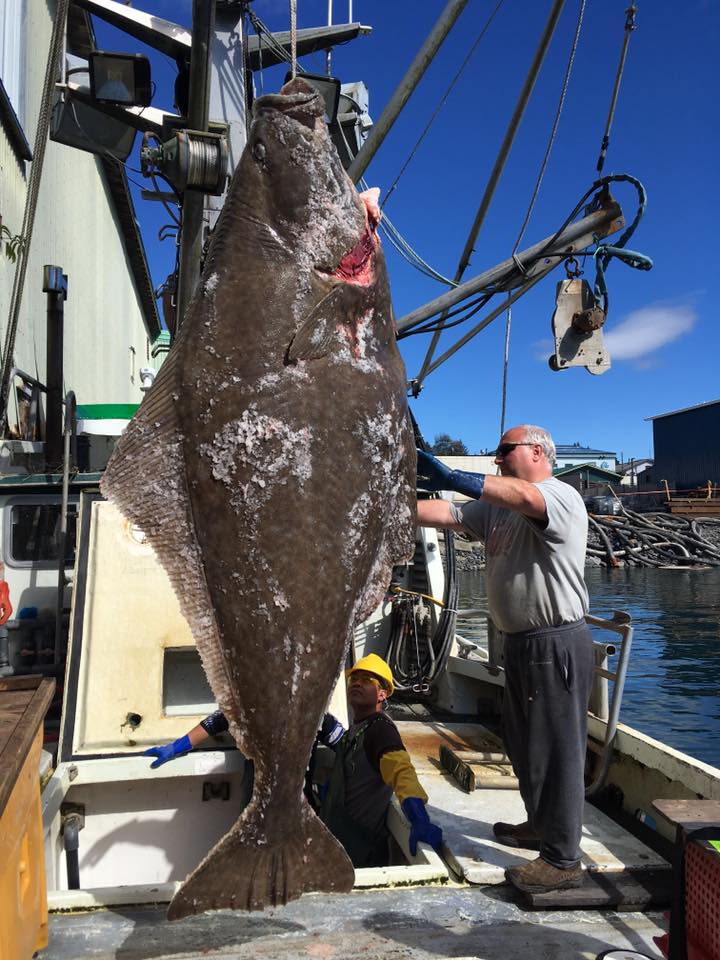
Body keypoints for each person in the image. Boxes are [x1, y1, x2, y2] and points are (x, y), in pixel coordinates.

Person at [416, 424, 594, 895]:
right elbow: (449, 513)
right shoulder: (497, 511)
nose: (496, 459)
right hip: (518, 644)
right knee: (524, 744)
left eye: (504, 450)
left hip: (553, 643)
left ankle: (562, 859)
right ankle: (541, 824)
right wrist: (380, 508)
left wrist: (453, 473)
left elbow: (522, 499)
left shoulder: (558, 497)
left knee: (556, 751)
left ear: (537, 451)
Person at [144, 653, 442, 869]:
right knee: (257, 856)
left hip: (299, 807)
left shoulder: (320, 718)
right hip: (256, 802)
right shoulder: (251, 705)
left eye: (368, 680)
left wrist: (416, 814)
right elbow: (215, 722)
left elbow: (353, 751)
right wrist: (177, 747)